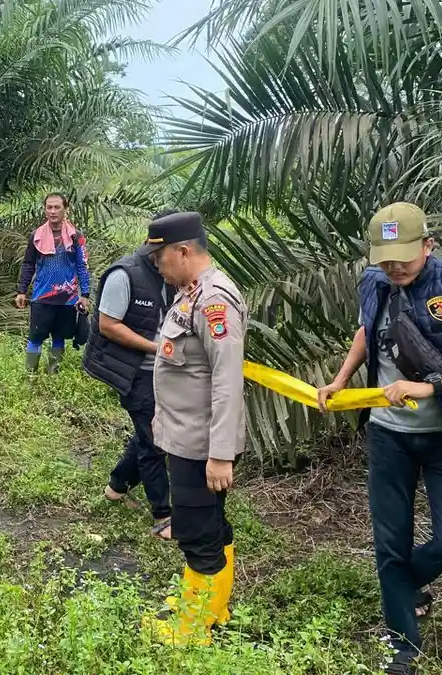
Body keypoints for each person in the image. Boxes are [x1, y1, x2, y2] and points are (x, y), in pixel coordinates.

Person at [317, 202, 442, 674]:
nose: (394, 266)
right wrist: (342, 378)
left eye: (404, 256)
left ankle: (404, 586)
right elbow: (367, 329)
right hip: (390, 437)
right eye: (385, 257)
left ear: (429, 245)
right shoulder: (375, 282)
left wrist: (432, 385)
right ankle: (401, 646)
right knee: (390, 541)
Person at [138, 211, 247, 647]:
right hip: (184, 434)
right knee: (211, 527)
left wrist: (220, 453)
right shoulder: (190, 293)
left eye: (160, 255)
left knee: (196, 531)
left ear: (184, 251)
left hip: (202, 444)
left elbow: (227, 380)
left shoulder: (215, 300)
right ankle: (212, 609)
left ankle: (191, 630)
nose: (156, 263)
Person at [82, 209, 178, 539]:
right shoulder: (125, 274)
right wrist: (157, 348)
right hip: (134, 372)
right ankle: (163, 516)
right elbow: (108, 326)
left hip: (165, 372)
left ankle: (117, 486)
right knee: (155, 441)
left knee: (145, 433)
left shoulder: (174, 274)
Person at [15, 193, 91, 373]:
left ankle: (53, 374)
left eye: (57, 207)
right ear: (45, 209)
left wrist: (85, 294)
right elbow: (28, 264)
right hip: (42, 297)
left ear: (66, 209)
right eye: (49, 207)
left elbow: (83, 265)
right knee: (35, 338)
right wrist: (21, 290)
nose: (53, 211)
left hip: (67, 299)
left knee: (59, 338)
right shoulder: (36, 236)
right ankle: (31, 375)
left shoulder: (75, 237)